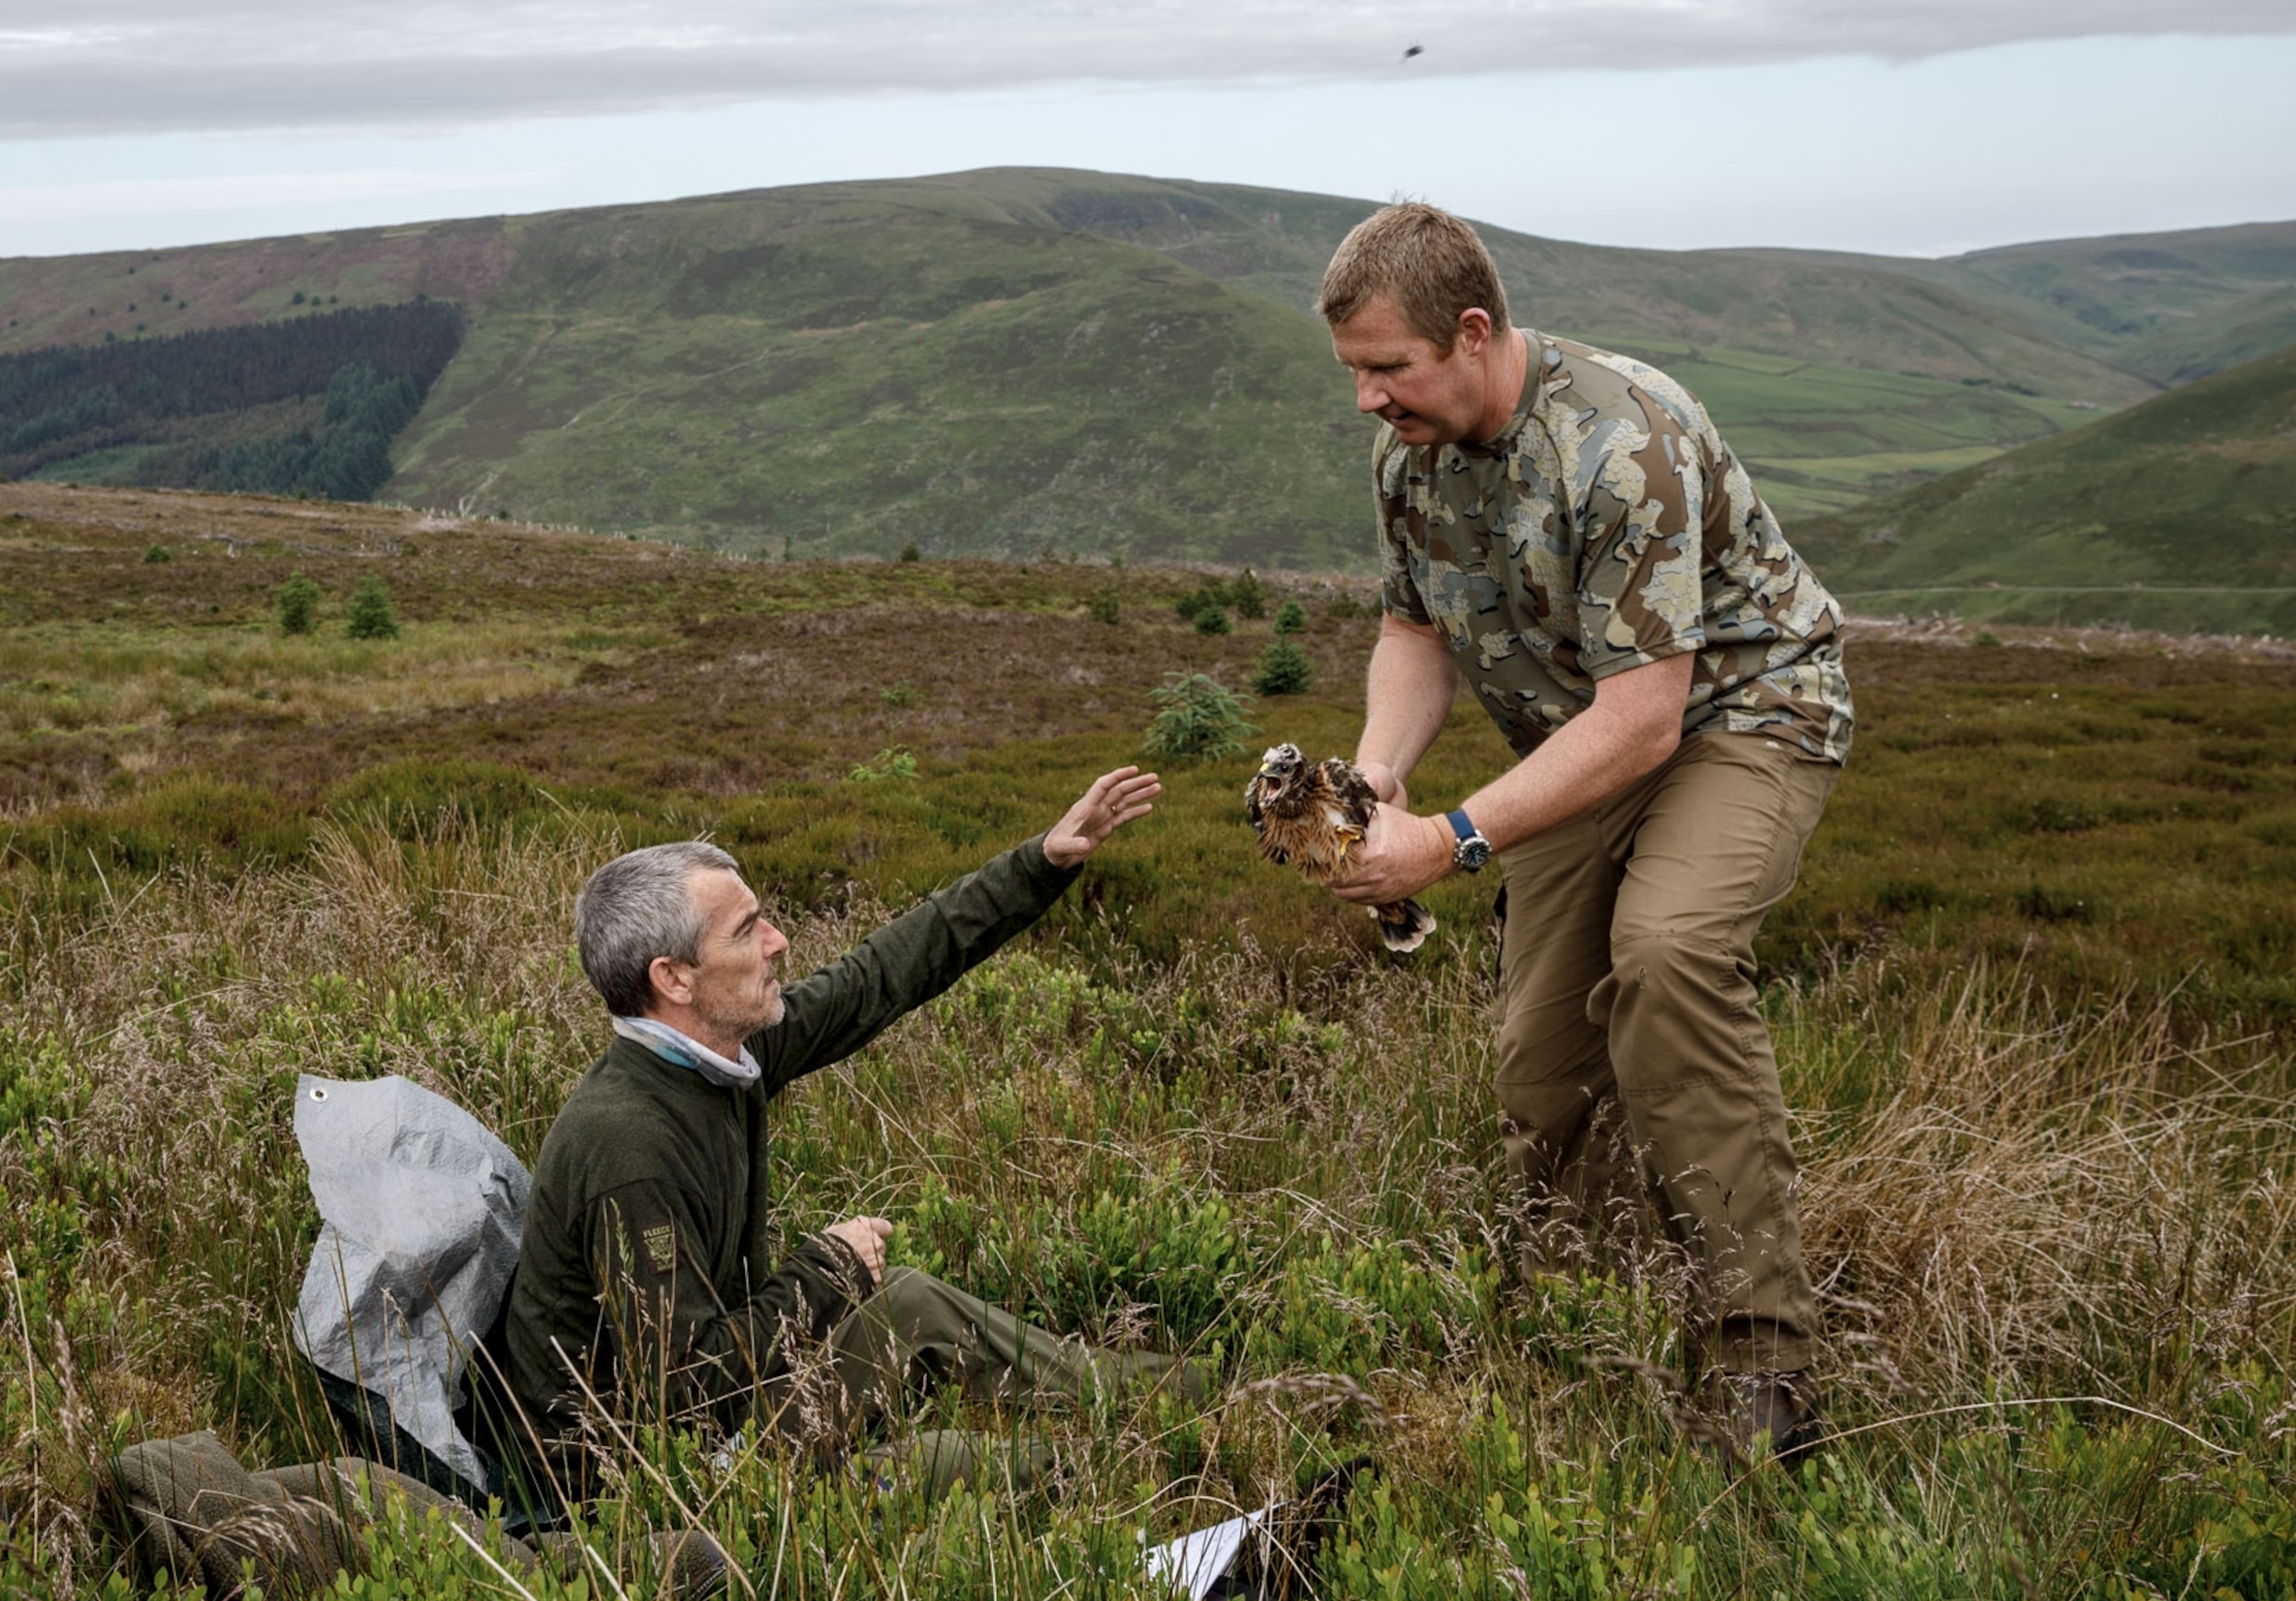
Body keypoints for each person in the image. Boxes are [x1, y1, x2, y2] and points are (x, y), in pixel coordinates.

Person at [1314, 202, 1852, 1461]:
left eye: (1387, 369)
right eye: (1353, 374)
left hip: (1739, 717)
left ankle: (1763, 1364)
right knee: (1542, 1067)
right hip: (1578, 741)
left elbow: (1646, 718)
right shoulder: (1411, 454)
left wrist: (1446, 842)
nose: (1367, 403)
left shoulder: (1619, 443)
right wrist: (1382, 775)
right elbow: (1415, 629)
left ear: (1473, 331)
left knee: (1664, 959)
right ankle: (1557, 1320)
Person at [494, 768, 1194, 1497]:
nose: (778, 940)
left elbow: (880, 977)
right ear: (674, 978)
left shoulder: (722, 1055)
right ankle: (1128, 1471)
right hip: (637, 1486)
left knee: (912, 1304)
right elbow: (688, 1392)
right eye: (745, 931)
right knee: (970, 1466)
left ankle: (1173, 1402)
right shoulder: (628, 1145)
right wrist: (828, 1268)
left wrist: (1041, 863)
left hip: (708, 1423)